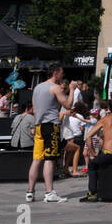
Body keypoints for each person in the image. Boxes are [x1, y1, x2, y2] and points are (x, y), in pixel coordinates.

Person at [27, 64, 74, 203]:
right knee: (50, 159)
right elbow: (68, 105)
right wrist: (71, 89)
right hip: (51, 125)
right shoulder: (55, 88)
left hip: (39, 125)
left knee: (36, 159)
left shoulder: (37, 88)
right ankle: (49, 193)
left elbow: (34, 109)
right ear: (55, 73)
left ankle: (30, 192)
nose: (62, 76)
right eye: (61, 73)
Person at [79, 100, 112, 203]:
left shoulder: (104, 119)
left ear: (109, 108)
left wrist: (93, 153)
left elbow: (89, 136)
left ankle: (92, 194)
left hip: (107, 155)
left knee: (92, 165)